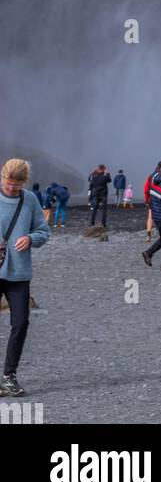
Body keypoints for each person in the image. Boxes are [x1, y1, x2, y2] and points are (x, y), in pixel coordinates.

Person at [0, 158, 50, 397]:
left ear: (24, 182)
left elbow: (43, 231)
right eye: (8, 183)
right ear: (2, 177)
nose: (11, 188)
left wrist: (31, 238)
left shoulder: (29, 199)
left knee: (20, 323)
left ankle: (9, 377)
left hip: (19, 274)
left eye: (16, 185)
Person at [143, 162, 161, 243]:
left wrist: (146, 199)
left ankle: (148, 235)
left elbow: (146, 188)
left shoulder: (151, 176)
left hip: (152, 199)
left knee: (150, 216)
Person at [88, 164, 111, 228]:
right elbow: (109, 180)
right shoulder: (105, 176)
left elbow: (89, 179)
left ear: (98, 168)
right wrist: (107, 173)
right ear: (103, 169)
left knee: (94, 208)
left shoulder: (94, 175)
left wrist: (94, 172)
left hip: (95, 194)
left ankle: (91, 222)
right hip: (103, 194)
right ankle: (103, 224)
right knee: (104, 210)